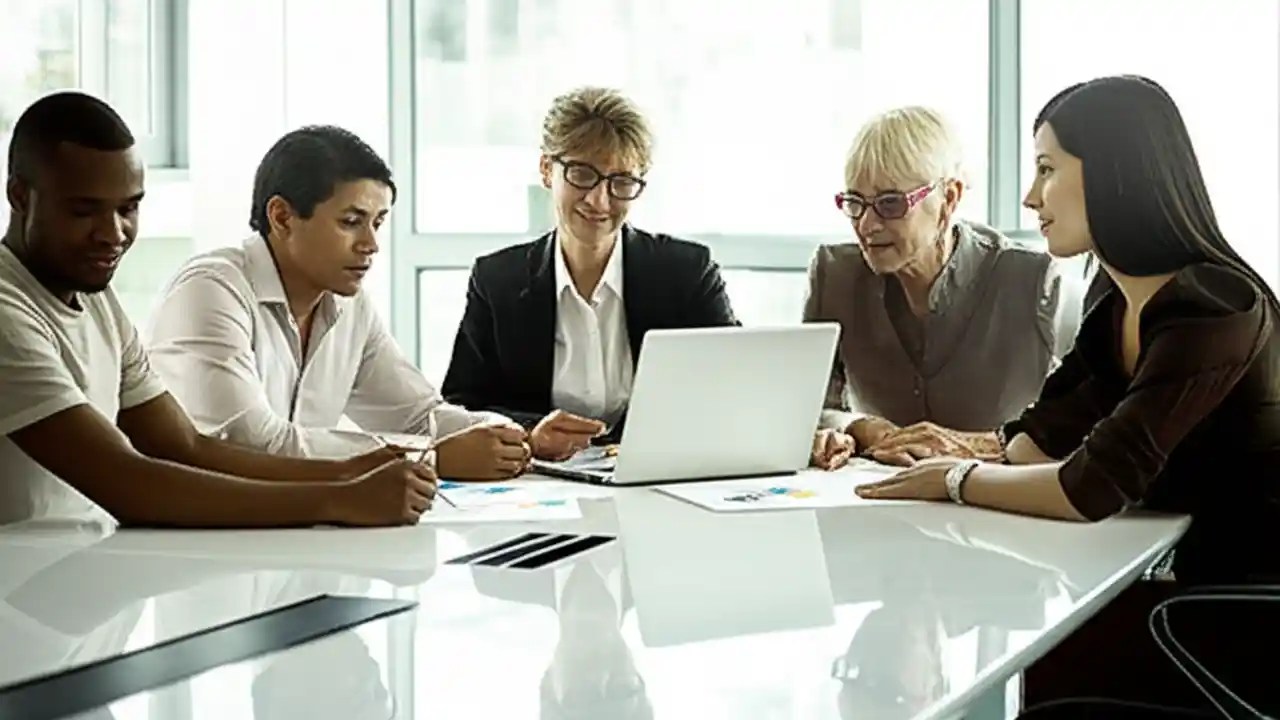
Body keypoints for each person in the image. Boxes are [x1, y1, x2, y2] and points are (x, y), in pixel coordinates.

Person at [857, 76, 1280, 713]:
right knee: (1045, 671)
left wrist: (952, 479)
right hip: (1177, 582)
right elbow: (1044, 433)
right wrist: (967, 454)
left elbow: (1090, 487)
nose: (1031, 197)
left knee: (1053, 691)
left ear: (1115, 174)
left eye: (1048, 170)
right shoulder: (1116, 298)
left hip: (1245, 613)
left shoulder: (1215, 308)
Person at [0, 92, 435, 528]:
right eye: (83, 211)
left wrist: (348, 473)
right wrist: (337, 499)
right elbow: (127, 481)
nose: (113, 234)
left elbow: (186, 446)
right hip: (19, 586)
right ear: (19, 196)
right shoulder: (7, 308)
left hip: (75, 572)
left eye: (128, 208)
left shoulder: (97, 299)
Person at [442, 86, 851, 466]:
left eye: (621, 182)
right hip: (542, 484)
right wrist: (530, 433)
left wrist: (805, 436)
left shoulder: (684, 272)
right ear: (548, 170)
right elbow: (460, 405)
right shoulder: (498, 279)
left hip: (655, 478)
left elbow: (734, 385)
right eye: (582, 174)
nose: (600, 200)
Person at [147, 126, 528, 480]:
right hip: (197, 536)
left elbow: (416, 415)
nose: (371, 244)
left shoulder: (348, 304)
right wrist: (431, 458)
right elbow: (249, 443)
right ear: (282, 217)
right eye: (350, 222)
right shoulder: (210, 290)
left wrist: (511, 437)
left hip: (295, 527)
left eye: (377, 223)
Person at [807, 106, 1079, 467]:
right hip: (877, 501)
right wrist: (858, 426)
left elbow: (1091, 423)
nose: (868, 224)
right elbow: (806, 408)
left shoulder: (1035, 283)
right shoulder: (834, 275)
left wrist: (972, 446)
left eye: (890, 203)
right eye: (855, 203)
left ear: (949, 198)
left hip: (1001, 505)